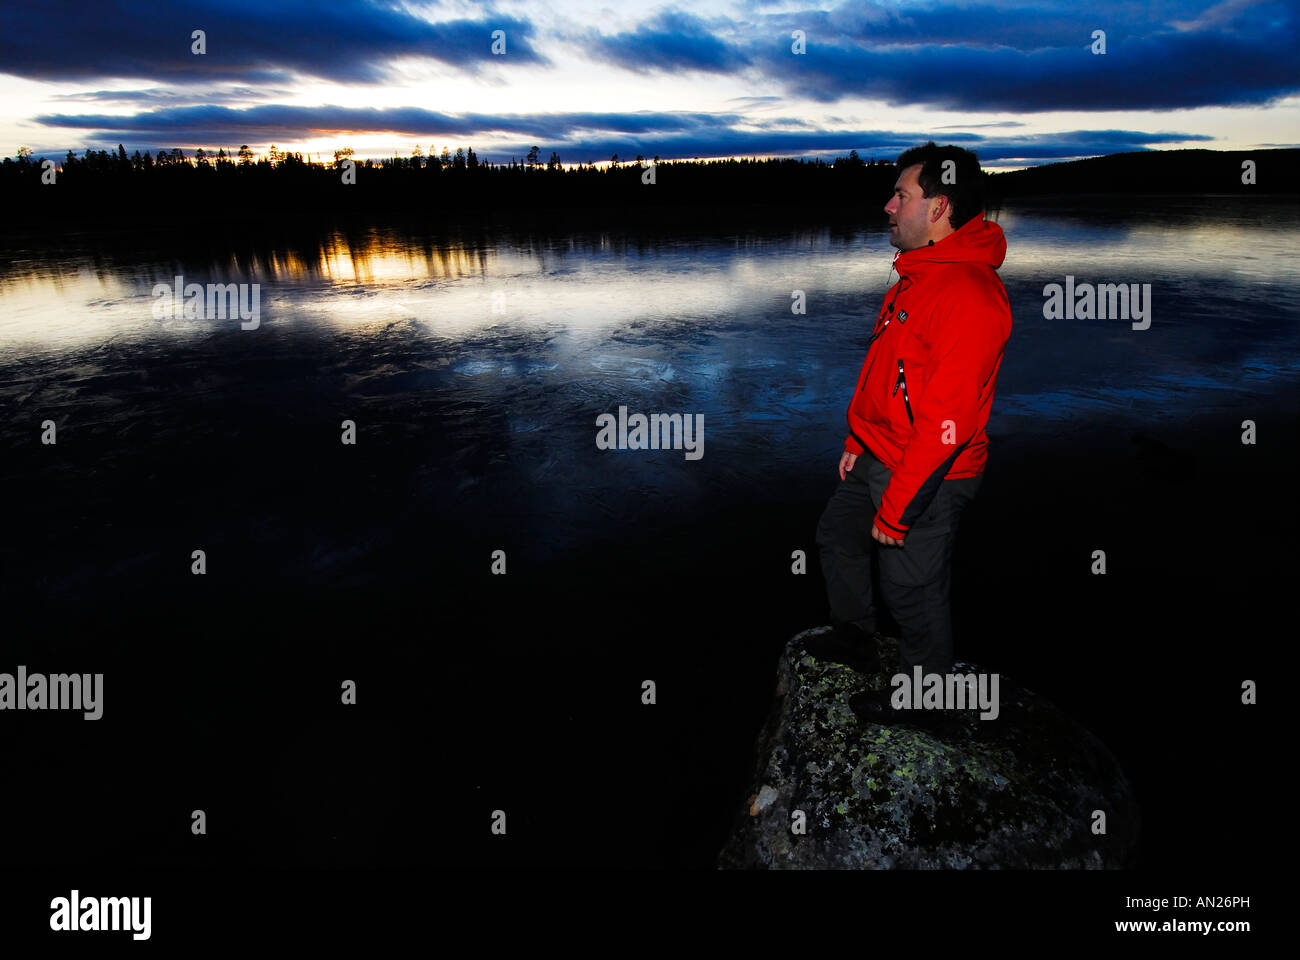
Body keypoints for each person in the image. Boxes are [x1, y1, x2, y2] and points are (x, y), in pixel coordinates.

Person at [807, 142, 1012, 726]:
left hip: (929, 472)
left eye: (902, 195)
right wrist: (857, 439)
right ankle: (854, 637)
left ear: (940, 207)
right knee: (836, 537)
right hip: (881, 450)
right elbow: (886, 372)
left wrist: (897, 511)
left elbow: (948, 424)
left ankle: (927, 698)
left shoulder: (968, 295)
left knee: (912, 589)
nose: (888, 206)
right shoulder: (916, 278)